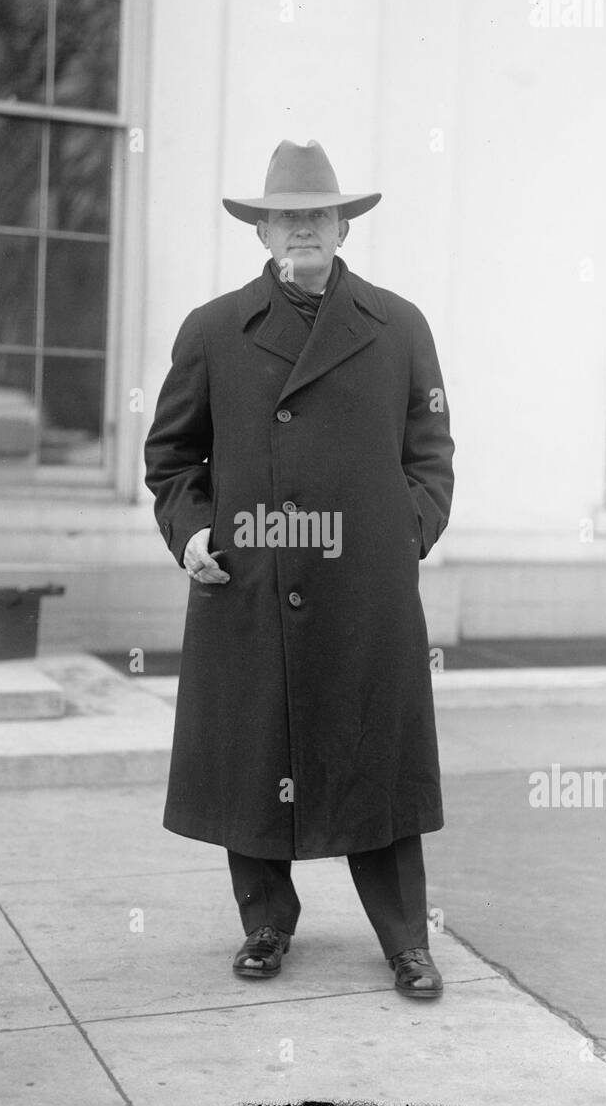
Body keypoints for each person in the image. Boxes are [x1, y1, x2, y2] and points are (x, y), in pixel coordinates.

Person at [144, 139, 455, 998]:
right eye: (287, 217)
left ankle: (404, 941)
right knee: (256, 755)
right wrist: (194, 533)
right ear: (262, 232)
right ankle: (265, 926)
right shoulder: (213, 330)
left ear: (343, 224)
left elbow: (429, 452)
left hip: (366, 590)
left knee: (376, 760)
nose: (304, 230)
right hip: (251, 583)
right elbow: (173, 458)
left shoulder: (399, 325)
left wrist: (406, 534)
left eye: (319, 215)